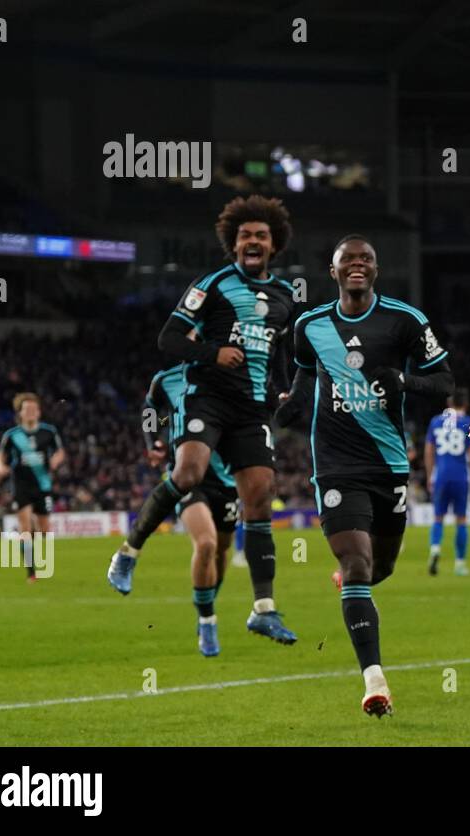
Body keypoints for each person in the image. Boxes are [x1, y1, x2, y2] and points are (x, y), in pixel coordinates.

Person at [276, 235, 454, 716]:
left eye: (366, 260)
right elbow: (304, 380)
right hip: (335, 466)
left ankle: (352, 583)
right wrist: (288, 408)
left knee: (383, 568)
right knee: (358, 563)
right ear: (331, 272)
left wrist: (405, 382)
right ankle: (375, 681)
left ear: (376, 270)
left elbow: (444, 383)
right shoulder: (309, 325)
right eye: (347, 260)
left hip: (390, 464)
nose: (357, 265)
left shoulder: (405, 321)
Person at [119, 196, 299, 643]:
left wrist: (281, 391)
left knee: (259, 499)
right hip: (208, 398)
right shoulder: (213, 284)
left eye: (260, 235)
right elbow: (169, 338)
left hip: (251, 410)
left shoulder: (283, 297)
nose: (252, 241)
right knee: (188, 471)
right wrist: (212, 353)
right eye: (244, 236)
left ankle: (263, 609)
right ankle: (129, 550)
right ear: (233, 244)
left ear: (273, 245)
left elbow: (278, 356)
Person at [108, 366, 240, 657]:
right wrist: (153, 441)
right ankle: (207, 621)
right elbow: (150, 409)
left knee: (221, 551)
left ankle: (206, 606)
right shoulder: (166, 380)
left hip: (227, 479)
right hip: (187, 475)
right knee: (206, 544)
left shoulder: (234, 373)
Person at [0, 392, 64, 582]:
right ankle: (31, 572)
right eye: (27, 409)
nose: (31, 412)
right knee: (24, 527)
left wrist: (56, 461)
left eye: (34, 409)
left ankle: (33, 535)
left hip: (42, 484)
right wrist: (0, 466)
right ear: (21, 414)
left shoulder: (49, 432)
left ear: (39, 412)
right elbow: (0, 455)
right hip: (21, 484)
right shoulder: (12, 435)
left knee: (44, 529)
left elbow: (59, 452)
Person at [423, 388, 470, 576]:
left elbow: (428, 451)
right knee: (461, 519)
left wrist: (430, 475)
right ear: (465, 405)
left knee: (437, 517)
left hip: (440, 475)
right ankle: (459, 563)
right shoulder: (468, 423)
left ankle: (435, 549)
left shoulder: (435, 421)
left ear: (449, 404)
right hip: (461, 476)